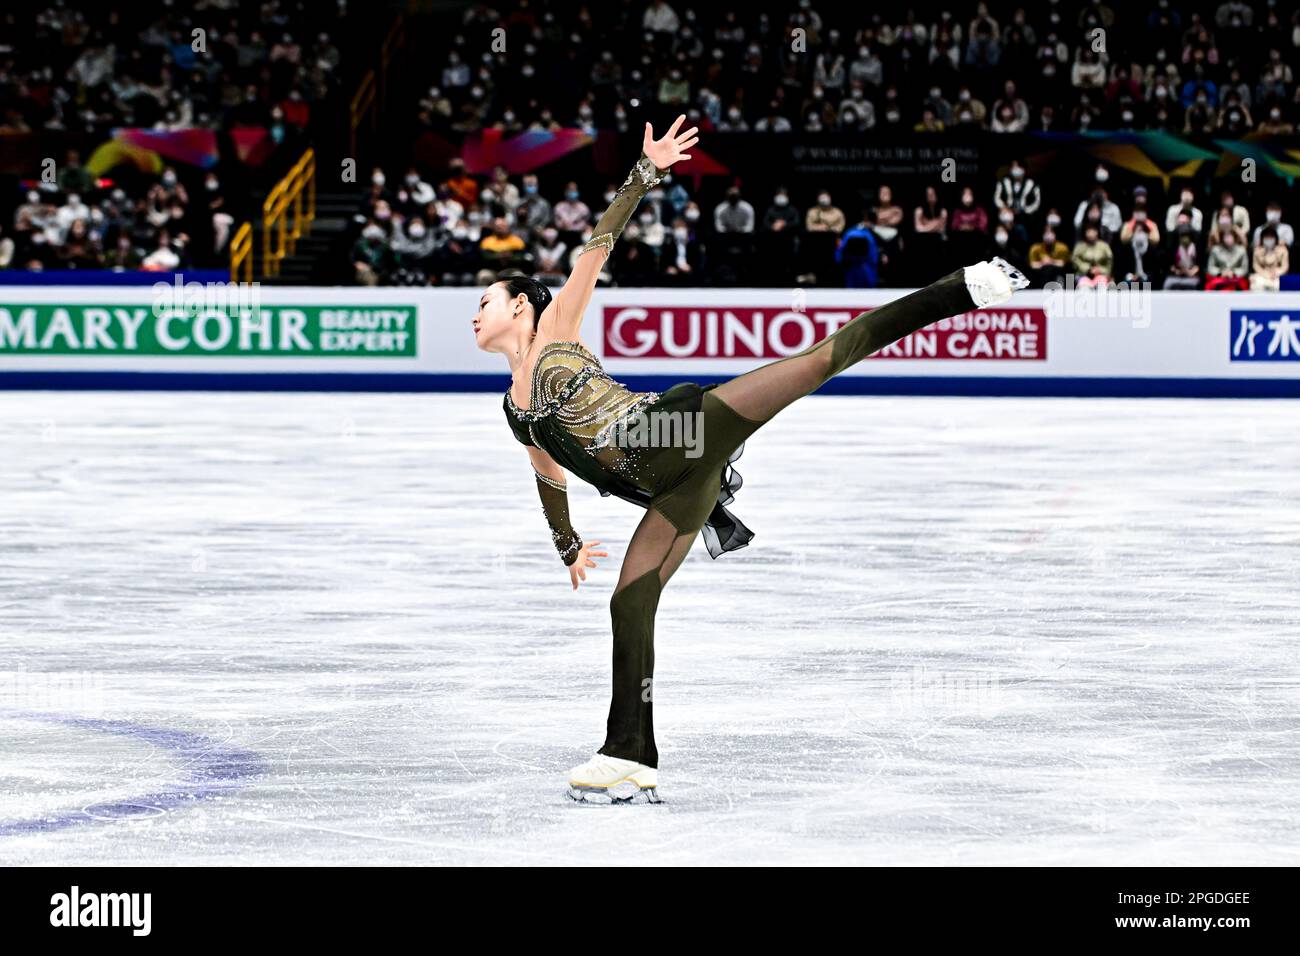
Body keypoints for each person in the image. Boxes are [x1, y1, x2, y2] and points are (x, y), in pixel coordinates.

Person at [474, 116, 1027, 802]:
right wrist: (567, 546)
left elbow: (597, 245)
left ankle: (962, 289)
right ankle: (629, 754)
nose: (476, 313)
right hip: (667, 490)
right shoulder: (513, 408)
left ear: (522, 307)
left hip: (672, 434)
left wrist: (645, 172)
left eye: (487, 300)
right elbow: (546, 471)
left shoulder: (557, 330)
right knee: (629, 603)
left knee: (816, 362)